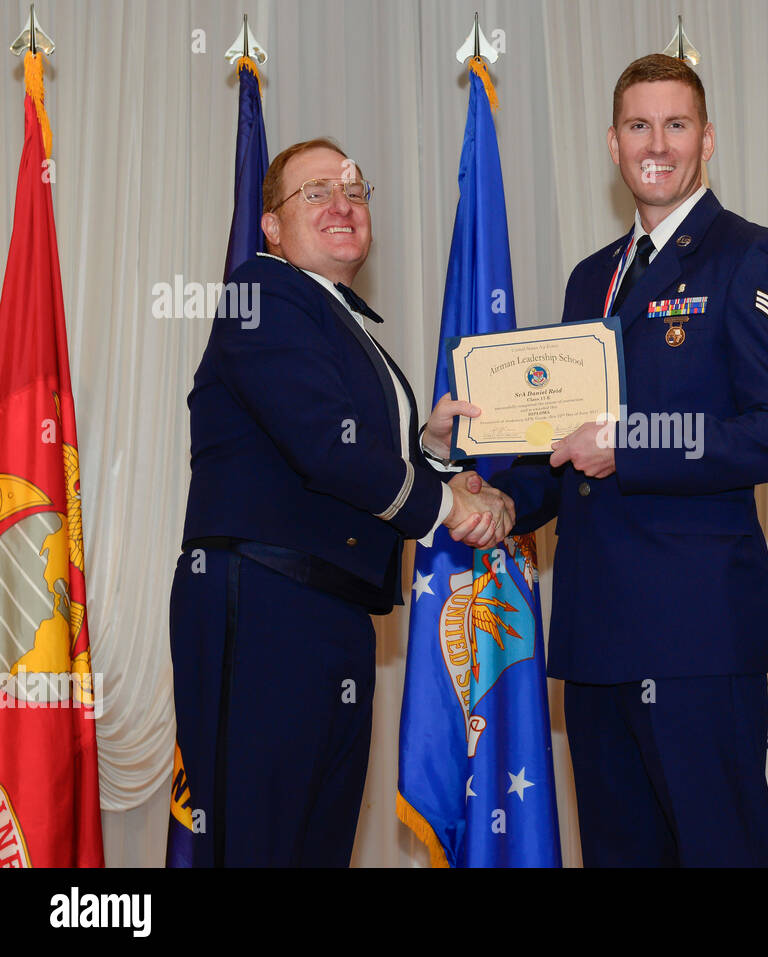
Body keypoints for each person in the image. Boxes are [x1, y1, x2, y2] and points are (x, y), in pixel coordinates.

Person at [489, 55, 768, 867]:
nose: (658, 144)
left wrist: (631, 444)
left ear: (707, 139)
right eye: (640, 125)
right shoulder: (588, 279)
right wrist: (490, 494)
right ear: (612, 142)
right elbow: (566, 450)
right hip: (597, 636)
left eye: (677, 125)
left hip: (695, 634)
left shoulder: (754, 257)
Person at [170, 138, 512, 866]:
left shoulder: (339, 320)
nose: (342, 205)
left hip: (331, 613)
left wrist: (435, 451)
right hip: (265, 605)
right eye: (317, 192)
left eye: (355, 191)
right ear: (271, 224)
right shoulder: (260, 295)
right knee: (258, 844)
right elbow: (326, 447)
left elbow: (357, 463)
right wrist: (450, 507)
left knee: (316, 845)